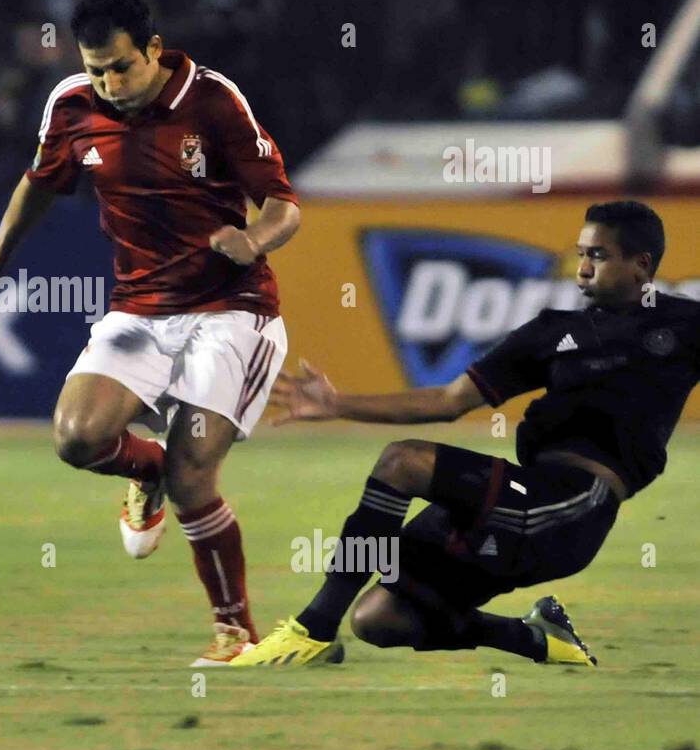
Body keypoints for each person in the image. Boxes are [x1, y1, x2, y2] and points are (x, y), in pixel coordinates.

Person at [0, 0, 300, 665]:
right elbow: (42, 182)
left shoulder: (213, 101)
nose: (109, 85)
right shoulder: (71, 105)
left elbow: (284, 205)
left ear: (154, 49)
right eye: (97, 71)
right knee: (77, 438)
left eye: (122, 68)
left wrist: (253, 238)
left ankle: (235, 632)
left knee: (196, 478)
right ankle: (149, 471)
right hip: (139, 309)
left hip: (232, 309)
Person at [233, 201, 698, 668]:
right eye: (581, 253)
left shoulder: (685, 324)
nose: (581, 268)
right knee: (379, 619)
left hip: (573, 508)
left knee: (402, 463)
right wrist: (338, 404)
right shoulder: (552, 331)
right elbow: (449, 400)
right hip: (520, 500)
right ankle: (535, 637)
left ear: (640, 263)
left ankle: (310, 631)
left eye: (598, 255)